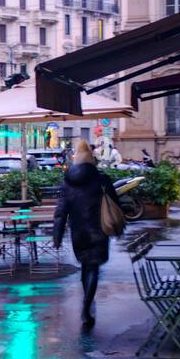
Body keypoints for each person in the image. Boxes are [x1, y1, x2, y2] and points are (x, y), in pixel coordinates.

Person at [52, 139, 119, 330]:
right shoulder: (102, 179)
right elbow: (115, 204)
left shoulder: (68, 182)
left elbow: (61, 211)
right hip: (99, 230)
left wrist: (57, 235)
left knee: (85, 266)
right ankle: (87, 304)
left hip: (78, 232)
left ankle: (86, 300)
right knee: (93, 268)